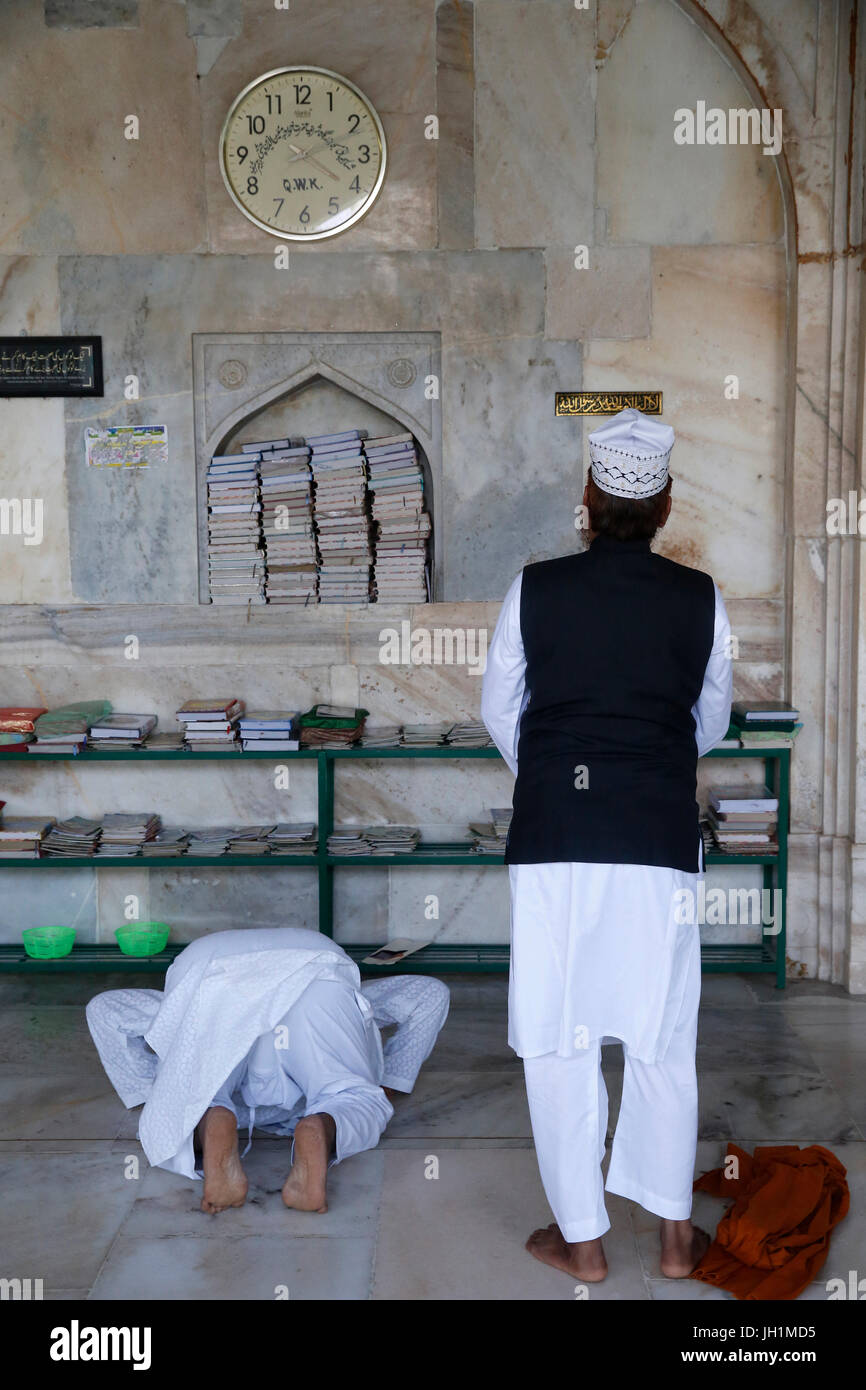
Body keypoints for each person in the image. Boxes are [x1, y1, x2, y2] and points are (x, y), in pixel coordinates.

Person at [481, 407, 732, 1282]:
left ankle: (583, 1243)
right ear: (664, 507)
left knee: (559, 1035)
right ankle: (672, 1241)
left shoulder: (534, 588)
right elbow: (709, 720)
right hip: (657, 837)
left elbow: (500, 713)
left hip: (555, 836)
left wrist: (556, 772)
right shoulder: (700, 598)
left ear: (588, 498)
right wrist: (645, 772)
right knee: (662, 1038)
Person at [87, 927, 449, 1215]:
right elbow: (429, 993)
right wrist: (385, 1087)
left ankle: (209, 1115)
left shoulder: (190, 993)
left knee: (196, 1099)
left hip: (209, 979)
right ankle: (323, 1124)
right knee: (347, 1097)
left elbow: (106, 1009)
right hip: (317, 976)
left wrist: (160, 1092)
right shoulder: (333, 989)